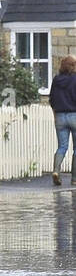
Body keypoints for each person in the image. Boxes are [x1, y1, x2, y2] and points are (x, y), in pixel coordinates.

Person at [48, 54, 76, 187]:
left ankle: (56, 171)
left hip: (59, 116)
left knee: (62, 146)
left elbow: (51, 99)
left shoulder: (56, 80)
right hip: (74, 115)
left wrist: (55, 114)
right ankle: (74, 178)